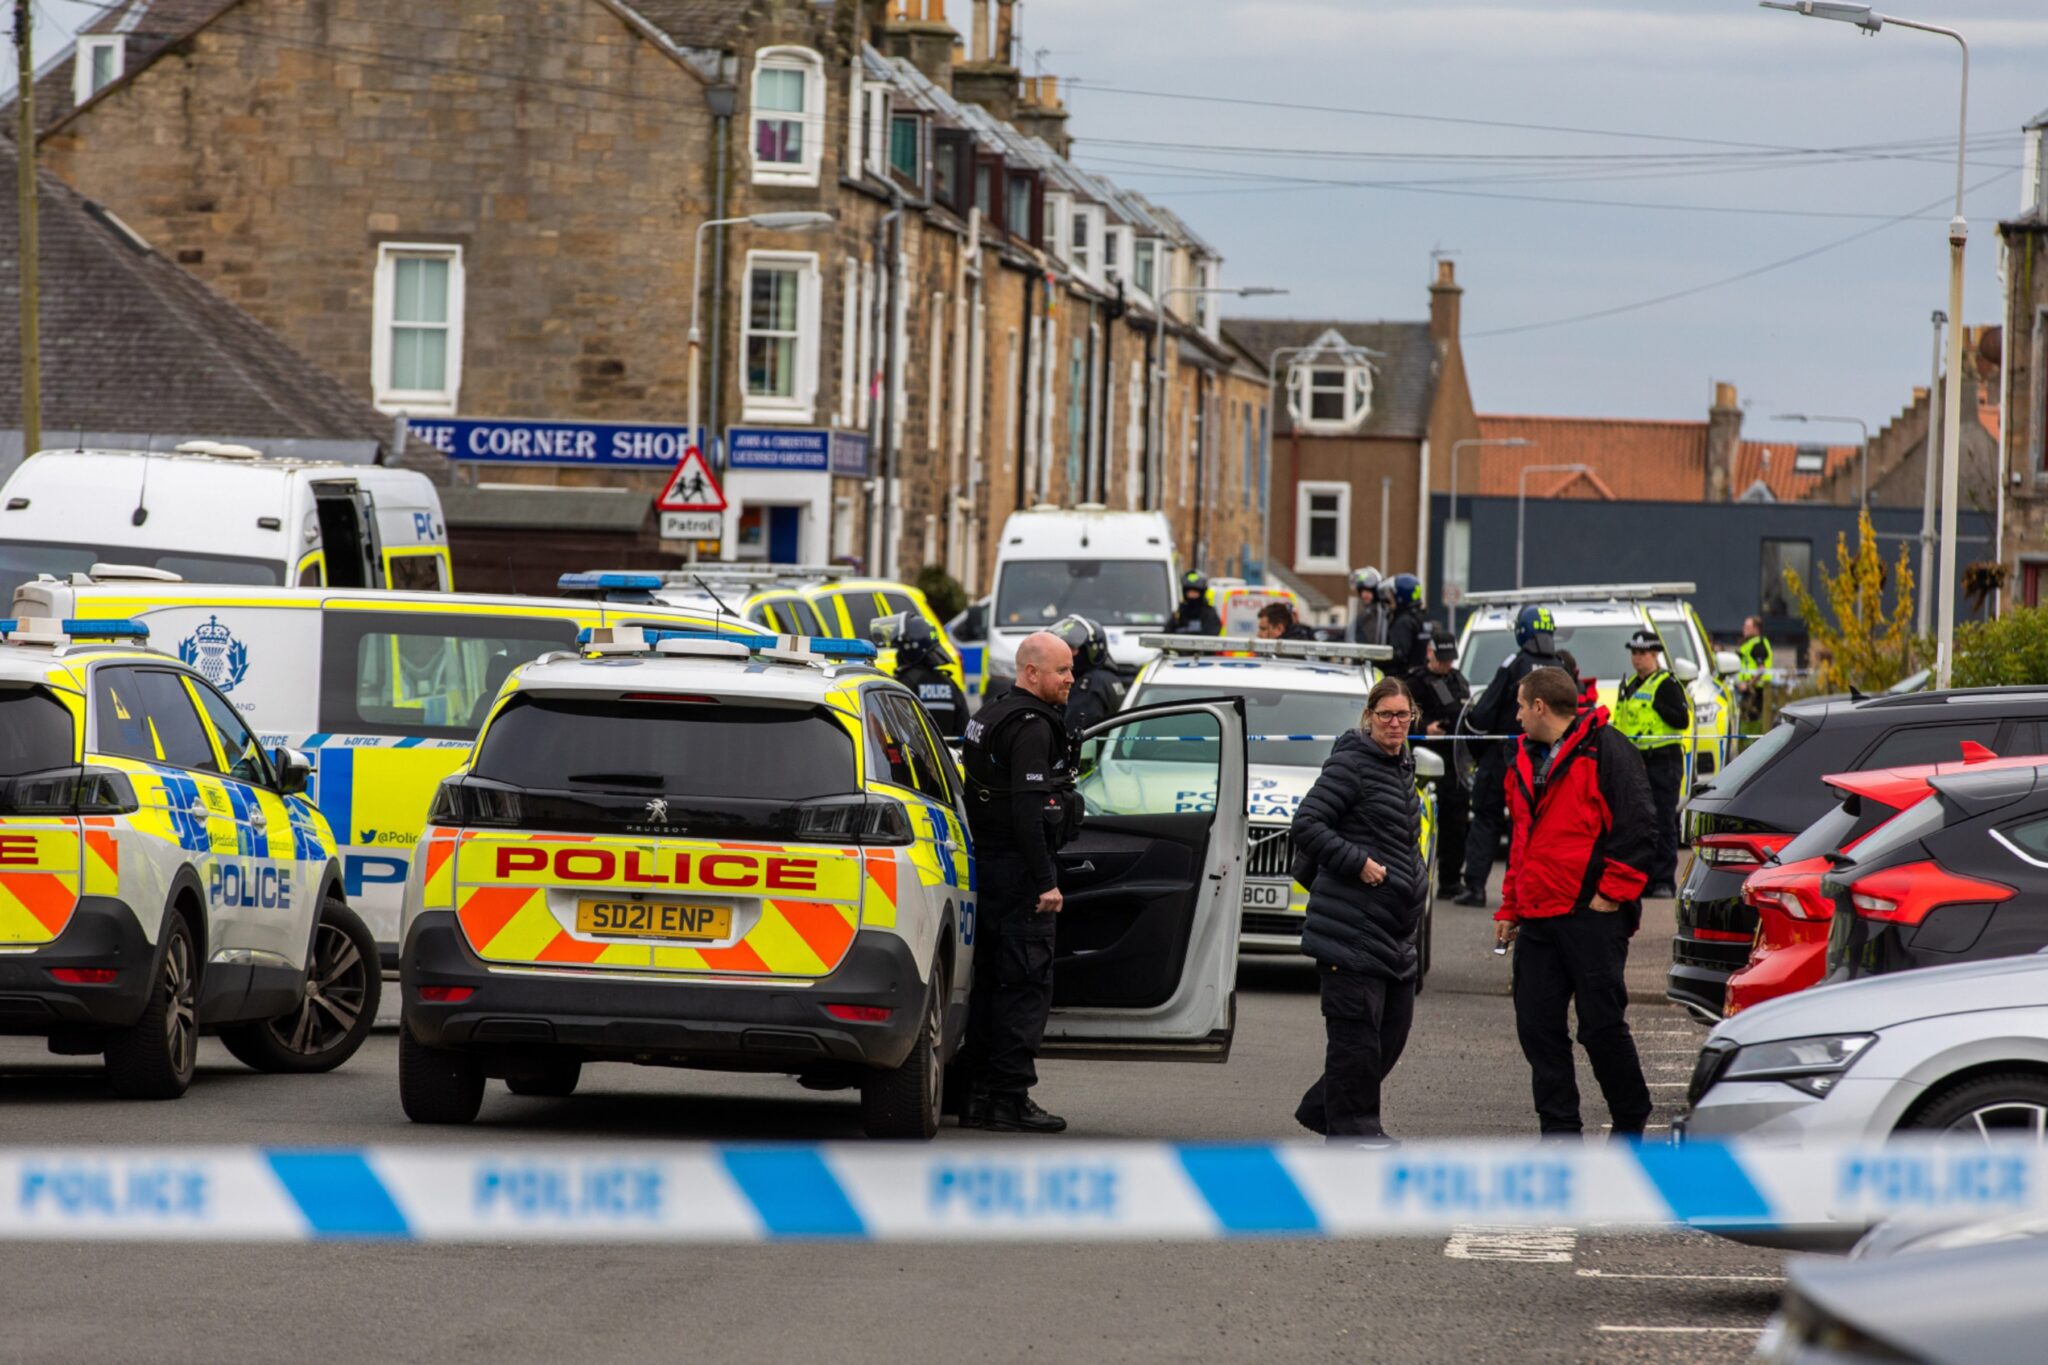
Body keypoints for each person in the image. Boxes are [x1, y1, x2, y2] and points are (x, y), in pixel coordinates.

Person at [1494, 666, 1655, 1139]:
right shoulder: (1522, 756)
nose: (1518, 714)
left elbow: (1640, 826)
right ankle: (1559, 1132)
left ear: (1540, 706)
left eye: (1522, 704)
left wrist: (1611, 896)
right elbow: (1522, 840)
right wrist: (1509, 907)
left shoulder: (1606, 750)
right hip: (1539, 918)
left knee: (1601, 1029)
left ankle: (1631, 1120)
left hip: (1592, 918)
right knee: (1538, 1027)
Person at [1290, 676, 1428, 1146]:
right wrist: (1358, 863)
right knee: (1356, 1038)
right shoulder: (1351, 765)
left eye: (1402, 715)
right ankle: (1353, 1131)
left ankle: (1325, 1110)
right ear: (1369, 718)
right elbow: (1307, 824)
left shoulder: (1401, 765)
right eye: (1385, 714)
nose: (1394, 723)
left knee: (1391, 1033)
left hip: (1393, 931)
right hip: (1350, 929)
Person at [959, 632, 1082, 1133]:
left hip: (986, 866)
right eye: (1062, 671)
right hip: (1017, 874)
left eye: (1071, 669)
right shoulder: (1032, 727)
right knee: (1024, 986)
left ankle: (975, 1096)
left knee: (989, 985)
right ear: (1032, 672)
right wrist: (1045, 881)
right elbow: (1029, 810)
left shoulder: (991, 713)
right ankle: (1008, 1099)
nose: (1071, 679)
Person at [1453, 605, 1563, 908]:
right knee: (1532, 823)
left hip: (1502, 755)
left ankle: (1475, 887)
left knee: (1486, 818)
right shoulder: (1560, 667)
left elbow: (1484, 712)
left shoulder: (1513, 663)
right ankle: (1531, 890)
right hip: (1546, 758)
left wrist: (1474, 744)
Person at [1612, 629, 1691, 899]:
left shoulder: (1666, 684)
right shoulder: (1631, 684)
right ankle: (1644, 878)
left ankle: (1664, 881)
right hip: (1636, 763)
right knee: (1640, 822)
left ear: (1655, 654)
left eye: (1642, 653)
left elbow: (1683, 720)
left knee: (1663, 821)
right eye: (1633, 652)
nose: (1637, 658)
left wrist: (1660, 707)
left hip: (1663, 761)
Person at [1406, 626, 1470, 899]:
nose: (1446, 665)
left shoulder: (1458, 679)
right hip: (1425, 761)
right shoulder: (1415, 682)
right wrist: (1425, 727)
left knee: (1457, 823)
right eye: (1442, 659)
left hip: (1455, 761)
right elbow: (1400, 718)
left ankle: (1451, 881)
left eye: (1450, 660)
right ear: (1430, 653)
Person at [876, 611, 968, 740]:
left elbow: (892, 729)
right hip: (948, 758)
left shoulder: (903, 684)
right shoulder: (950, 685)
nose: (898, 655)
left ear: (910, 649)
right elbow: (963, 731)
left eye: (900, 650)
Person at [1049, 613, 1123, 734]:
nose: (1064, 653)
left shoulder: (1090, 685)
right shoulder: (1108, 678)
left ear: (1091, 650)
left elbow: (1073, 733)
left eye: (1071, 648)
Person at [1384, 573, 1429, 673]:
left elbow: (1398, 654)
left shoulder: (1404, 622)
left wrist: (1376, 659)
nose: (1389, 600)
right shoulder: (1422, 618)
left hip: (1403, 679)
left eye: (1392, 596)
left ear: (1400, 598)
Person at [1735, 616, 1773, 730]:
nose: (1744, 629)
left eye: (1747, 627)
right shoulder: (1749, 643)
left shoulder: (1758, 644)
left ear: (1756, 629)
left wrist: (1747, 684)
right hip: (1749, 690)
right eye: (1744, 626)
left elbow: (1761, 669)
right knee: (1746, 722)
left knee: (1752, 723)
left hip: (1756, 691)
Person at [1172, 569, 1222, 635]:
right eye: (1190, 592)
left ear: (1202, 593)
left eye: (1195, 592)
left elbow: (1211, 633)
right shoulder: (1180, 612)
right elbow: (1168, 632)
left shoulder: (1209, 613)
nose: (1192, 595)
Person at [1349, 567, 1388, 646]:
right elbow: (1349, 633)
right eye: (1361, 591)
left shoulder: (1382, 614)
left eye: (1368, 591)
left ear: (1377, 592)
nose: (1363, 595)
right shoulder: (1367, 613)